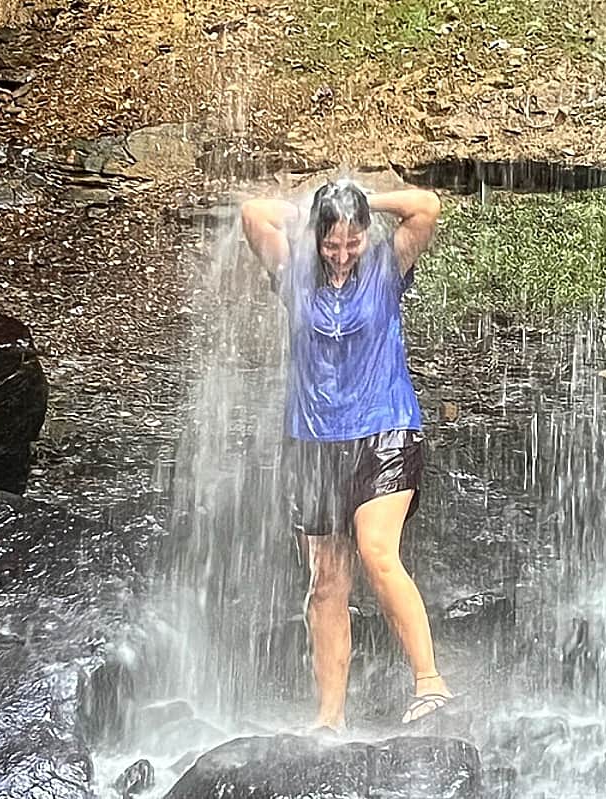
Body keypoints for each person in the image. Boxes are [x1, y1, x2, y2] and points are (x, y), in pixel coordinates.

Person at [240, 180, 452, 731]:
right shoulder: (295, 273)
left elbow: (425, 206)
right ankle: (329, 718)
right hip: (312, 439)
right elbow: (253, 214)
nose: (340, 255)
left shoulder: (386, 268)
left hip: (385, 428)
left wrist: (359, 199)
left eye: (351, 243)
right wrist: (317, 208)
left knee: (376, 551)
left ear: (365, 237)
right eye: (331, 244)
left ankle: (431, 684)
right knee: (327, 581)